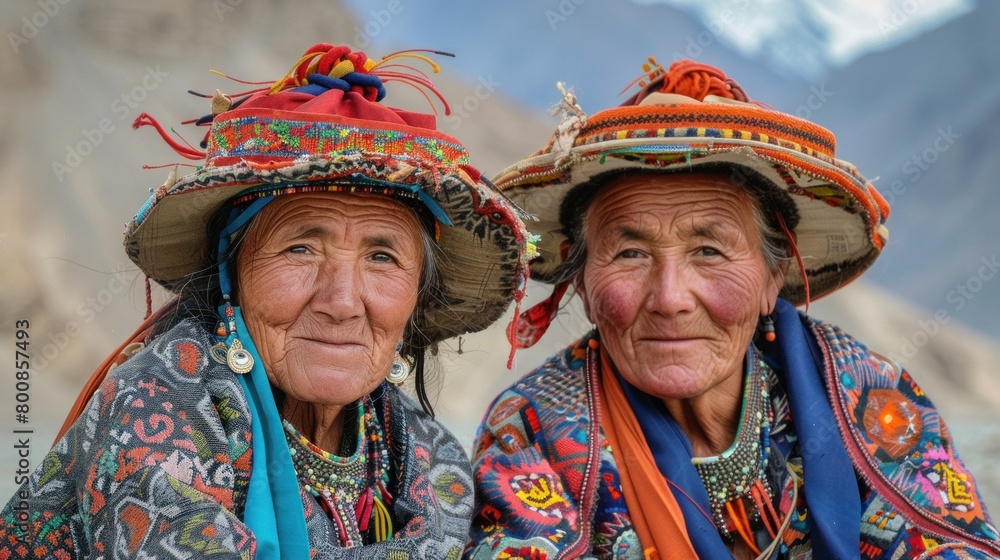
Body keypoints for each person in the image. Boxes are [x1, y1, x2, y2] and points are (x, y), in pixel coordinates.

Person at [0, 43, 532, 558]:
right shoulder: (154, 408)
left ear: (418, 293)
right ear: (231, 273)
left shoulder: (430, 456)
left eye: (382, 257)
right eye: (300, 248)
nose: (342, 302)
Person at [465, 60, 1000, 559]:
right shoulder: (532, 431)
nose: (670, 299)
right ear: (581, 280)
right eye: (630, 253)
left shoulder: (870, 393)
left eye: (709, 251)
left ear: (773, 278)